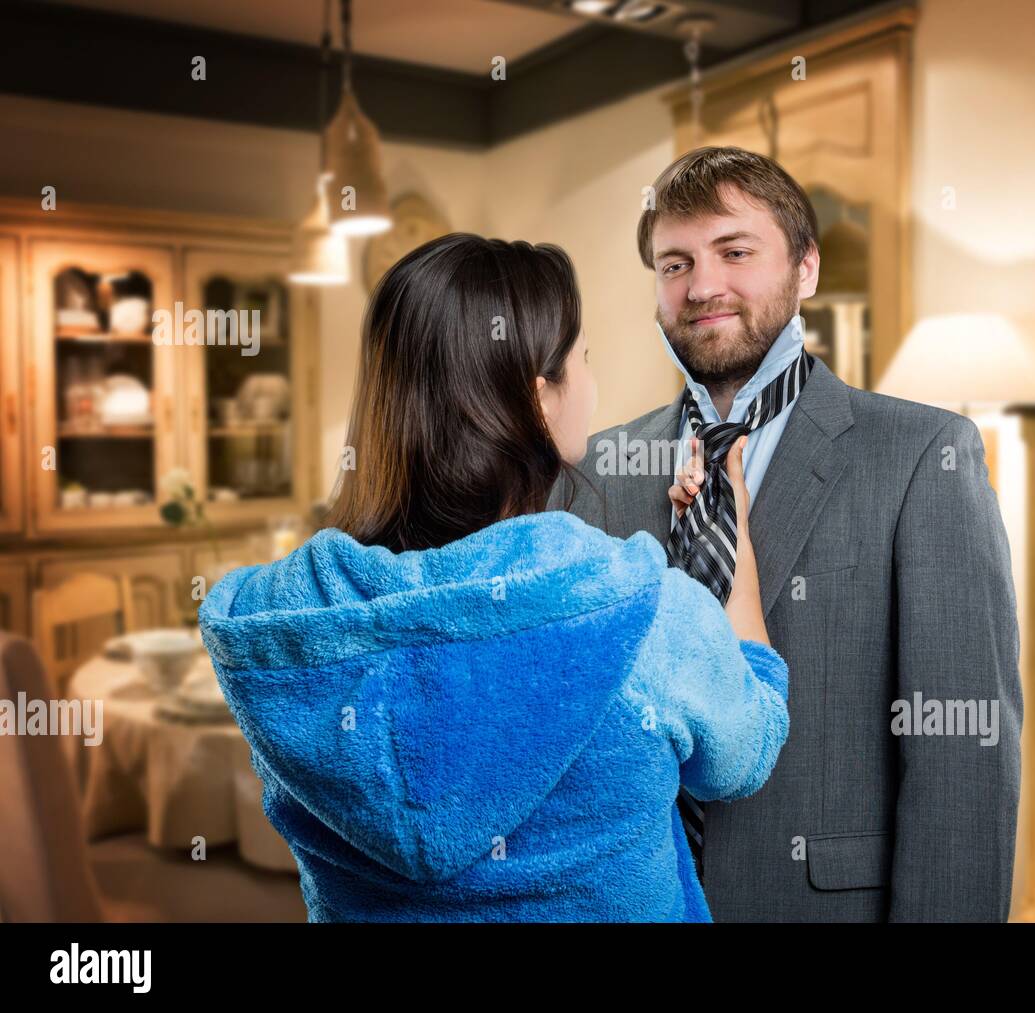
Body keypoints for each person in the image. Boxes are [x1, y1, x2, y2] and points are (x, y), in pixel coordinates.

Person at [198, 233, 789, 922]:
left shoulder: (288, 628)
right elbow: (746, 751)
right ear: (540, 402)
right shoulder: (639, 610)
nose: (593, 384)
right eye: (584, 360)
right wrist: (735, 562)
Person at [552, 146, 1022, 922]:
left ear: (806, 268)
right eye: (675, 264)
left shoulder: (923, 456)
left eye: (735, 251)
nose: (703, 286)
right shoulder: (599, 466)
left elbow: (962, 765)